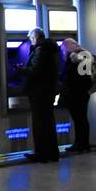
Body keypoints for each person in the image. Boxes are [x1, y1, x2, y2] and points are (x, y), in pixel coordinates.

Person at [21, 27, 60, 162]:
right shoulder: (52, 48)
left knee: (39, 123)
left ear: (36, 38)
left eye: (31, 39)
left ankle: (41, 154)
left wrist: (21, 70)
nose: (30, 42)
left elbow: (35, 71)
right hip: (49, 91)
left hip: (39, 92)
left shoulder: (40, 50)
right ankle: (52, 153)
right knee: (49, 122)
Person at [59, 37, 93, 153]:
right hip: (83, 93)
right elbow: (85, 76)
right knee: (82, 119)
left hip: (75, 93)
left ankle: (80, 143)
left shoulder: (74, 57)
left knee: (79, 119)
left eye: (63, 49)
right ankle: (84, 143)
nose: (63, 52)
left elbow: (70, 76)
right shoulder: (86, 54)